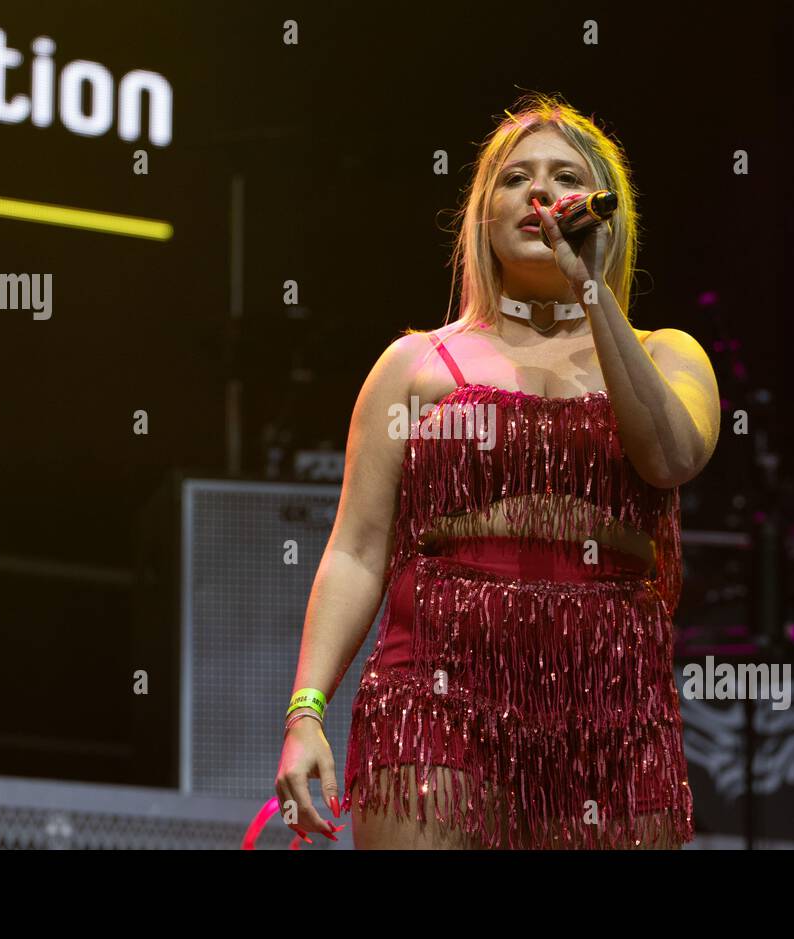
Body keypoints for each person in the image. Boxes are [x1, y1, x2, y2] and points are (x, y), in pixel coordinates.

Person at [274, 92, 720, 849]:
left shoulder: (665, 353)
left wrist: (592, 290)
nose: (540, 192)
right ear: (484, 213)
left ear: (606, 211)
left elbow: (670, 457)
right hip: (435, 699)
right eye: (516, 179)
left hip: (613, 711)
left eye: (564, 177)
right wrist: (305, 710)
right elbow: (356, 549)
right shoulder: (415, 364)